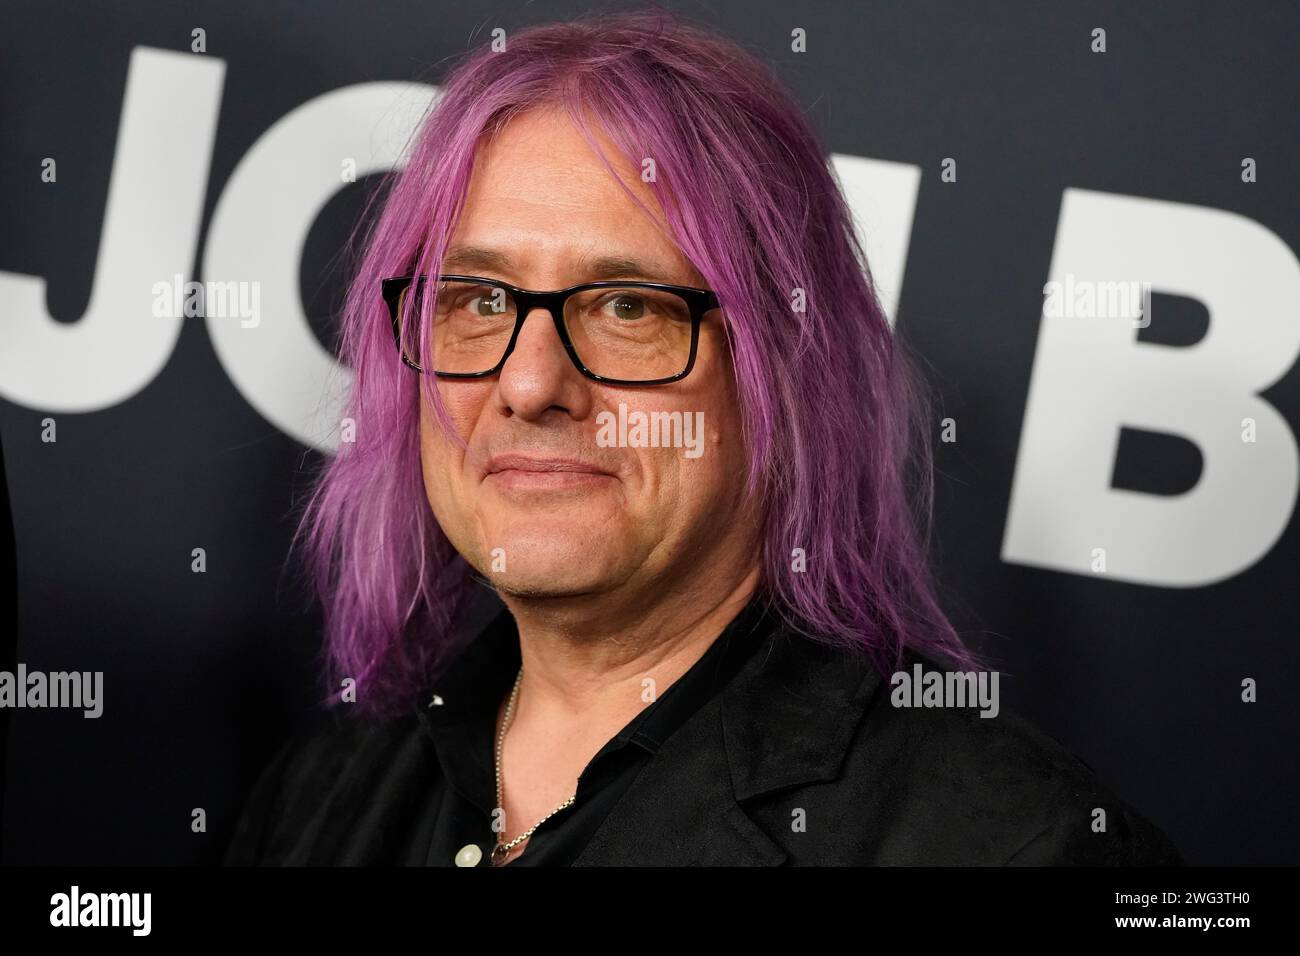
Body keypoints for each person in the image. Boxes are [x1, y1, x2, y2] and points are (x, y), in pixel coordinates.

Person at [223, 10, 1181, 867]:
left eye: (627, 306)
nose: (527, 384)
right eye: (477, 300)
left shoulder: (1013, 847)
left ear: (784, 373)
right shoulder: (324, 798)